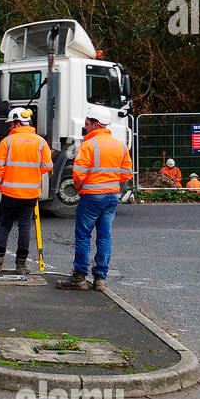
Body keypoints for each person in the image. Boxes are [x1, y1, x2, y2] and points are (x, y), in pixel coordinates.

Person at [58, 106, 133, 292]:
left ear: (96, 124)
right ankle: (100, 279)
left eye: (87, 123)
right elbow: (126, 174)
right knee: (104, 236)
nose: (85, 127)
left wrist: (79, 186)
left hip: (91, 197)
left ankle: (80, 277)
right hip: (111, 197)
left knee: (83, 236)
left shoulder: (89, 145)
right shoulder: (119, 145)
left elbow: (78, 174)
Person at [0, 107, 52, 275]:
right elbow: (47, 167)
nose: (10, 128)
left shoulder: (7, 142)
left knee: (5, 226)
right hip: (30, 195)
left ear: (17, 123)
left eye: (11, 124)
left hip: (9, 193)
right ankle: (21, 265)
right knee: (25, 227)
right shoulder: (40, 142)